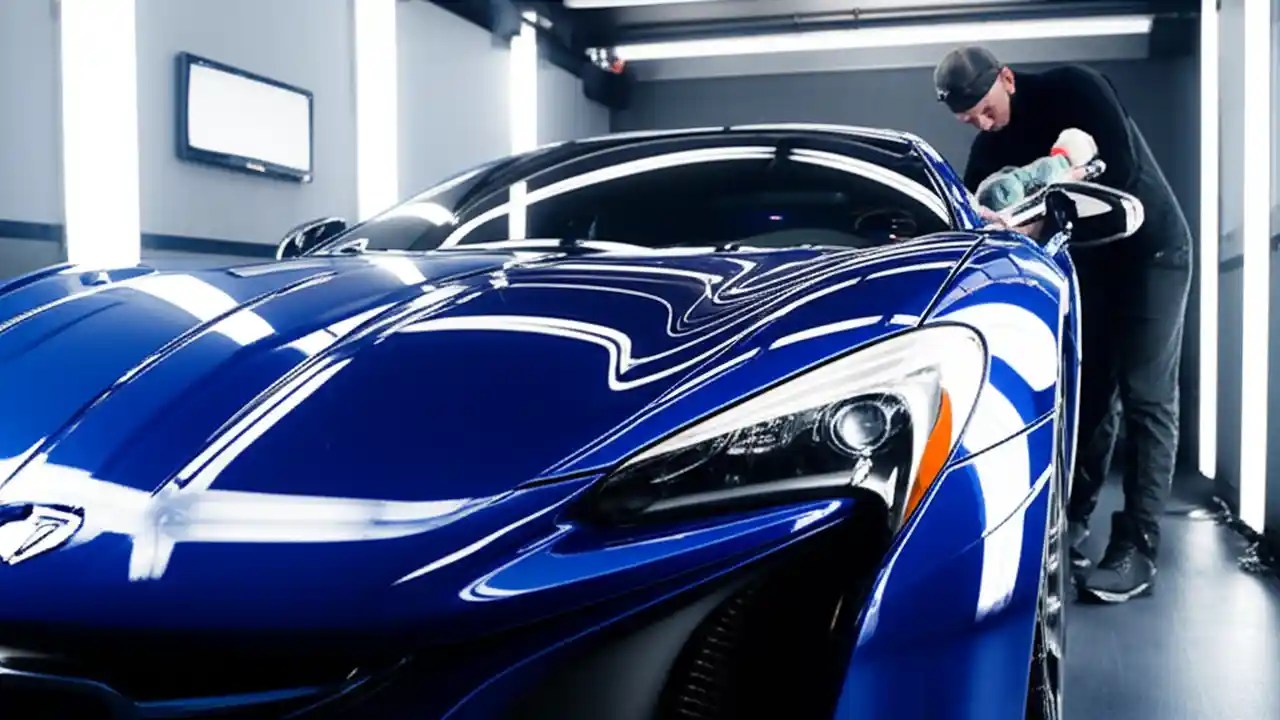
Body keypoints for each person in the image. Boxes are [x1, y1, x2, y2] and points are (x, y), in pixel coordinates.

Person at [933, 46, 1193, 603]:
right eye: (968, 120)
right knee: (1092, 397)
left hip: (1150, 252)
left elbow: (1118, 175)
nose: (981, 123)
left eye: (984, 108)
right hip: (1093, 268)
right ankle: (1072, 523)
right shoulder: (989, 149)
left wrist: (1040, 195)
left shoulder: (1075, 88)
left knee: (1146, 393)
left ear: (1006, 77)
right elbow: (980, 227)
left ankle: (1138, 547)